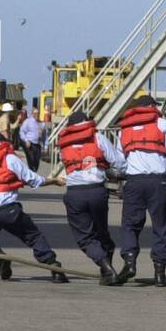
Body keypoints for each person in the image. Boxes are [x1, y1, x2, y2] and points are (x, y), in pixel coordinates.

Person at [0, 132, 69, 283]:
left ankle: (0, 256)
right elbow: (34, 180)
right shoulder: (10, 159)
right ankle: (54, 266)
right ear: (2, 142)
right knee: (33, 236)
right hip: (9, 211)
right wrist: (54, 181)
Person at [114, 95, 166, 286]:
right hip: (158, 180)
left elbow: (119, 159)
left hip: (134, 181)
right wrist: (164, 171)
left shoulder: (124, 127)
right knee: (161, 226)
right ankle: (159, 271)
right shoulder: (162, 123)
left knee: (130, 224)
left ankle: (130, 261)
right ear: (152, 107)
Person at [58, 111, 128, 286]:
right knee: (101, 232)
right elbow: (119, 162)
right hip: (97, 192)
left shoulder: (64, 143)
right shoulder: (98, 137)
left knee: (85, 237)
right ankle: (108, 269)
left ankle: (106, 267)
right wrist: (112, 172)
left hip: (75, 192)